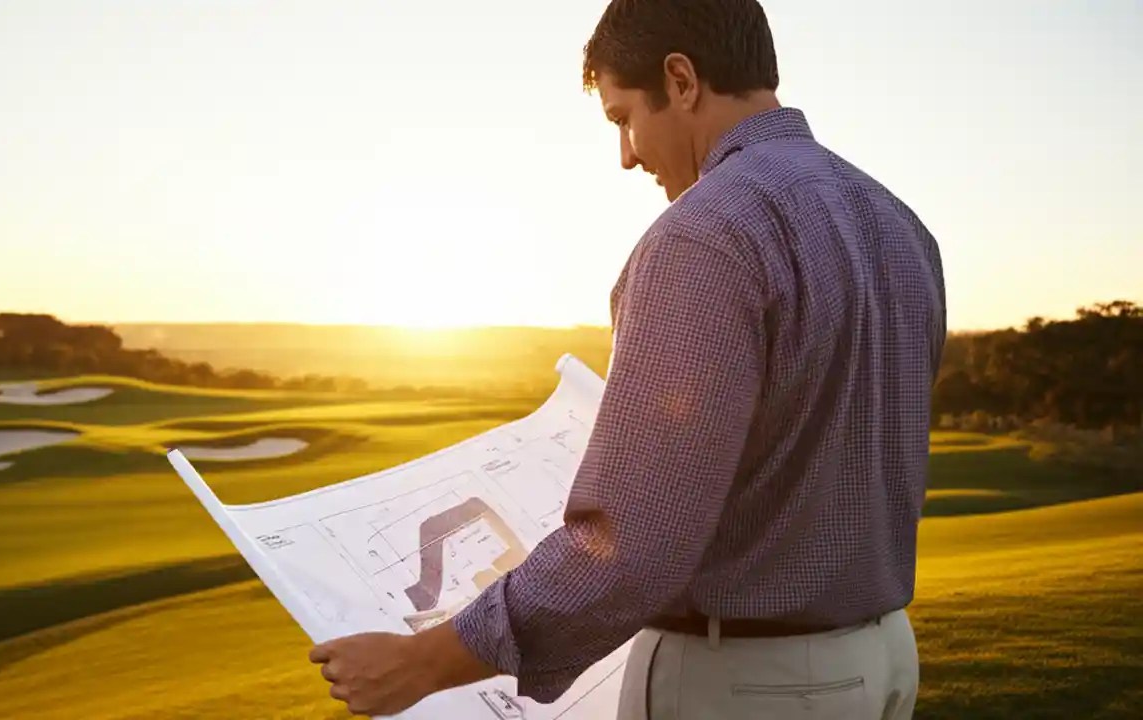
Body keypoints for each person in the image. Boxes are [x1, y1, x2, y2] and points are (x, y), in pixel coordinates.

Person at [307, 0, 947, 717]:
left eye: (622, 118)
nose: (628, 154)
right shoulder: (899, 225)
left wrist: (423, 661)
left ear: (680, 81)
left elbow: (629, 546)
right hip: (883, 658)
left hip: (748, 685)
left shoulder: (704, 235)